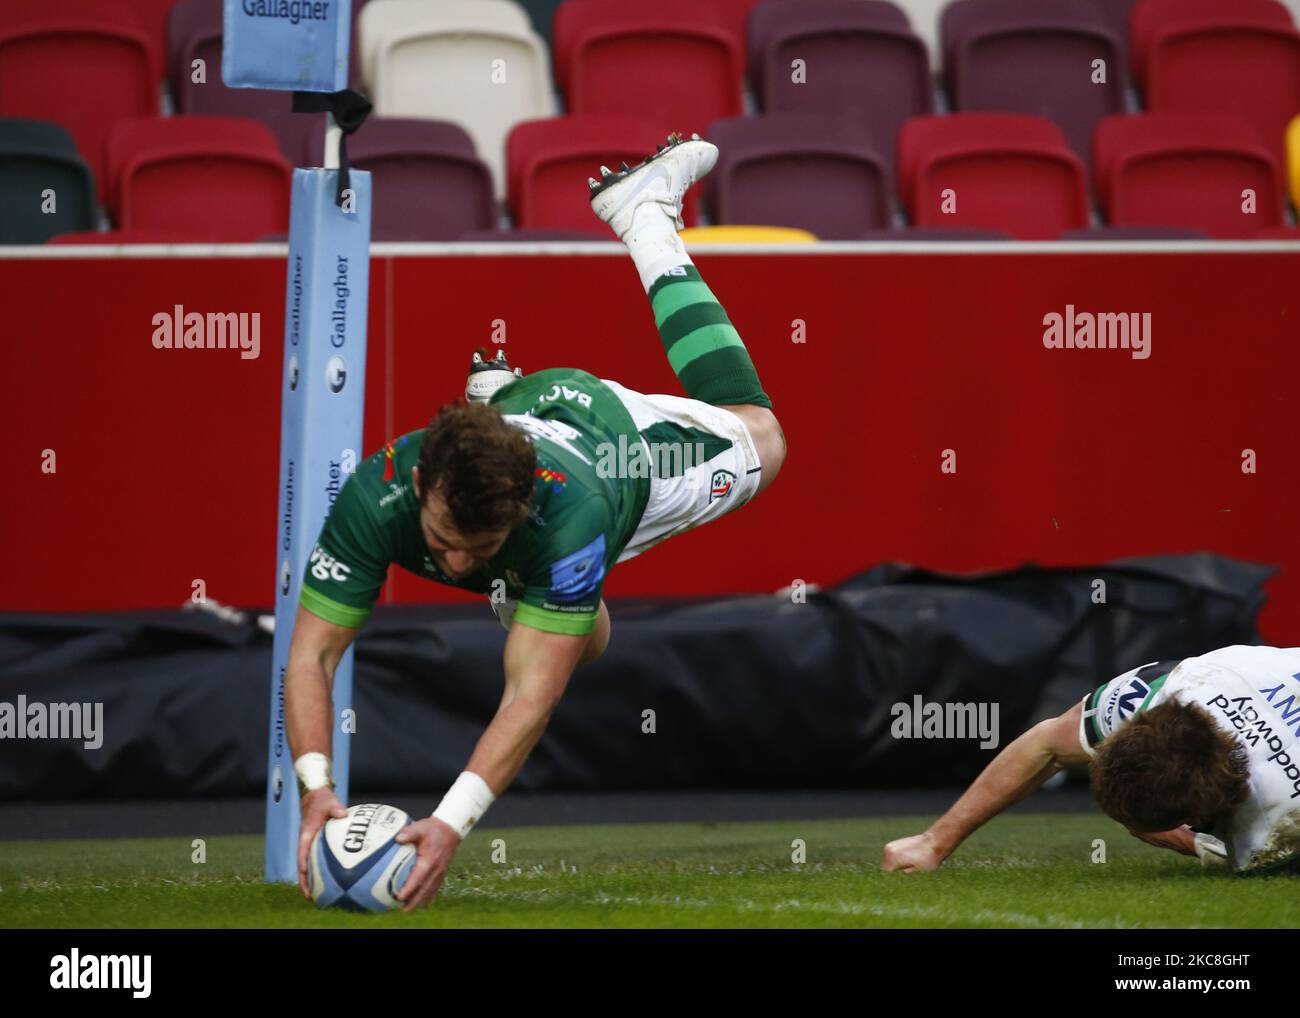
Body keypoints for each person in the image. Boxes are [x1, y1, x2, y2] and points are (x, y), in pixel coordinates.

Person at [286, 133, 787, 909]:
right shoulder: (375, 492)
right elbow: (312, 655)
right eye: (443, 543)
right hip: (523, 428)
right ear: (419, 484)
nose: (452, 568)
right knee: (583, 633)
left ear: (517, 515)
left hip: (619, 454)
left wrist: (450, 823)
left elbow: (528, 699)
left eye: (477, 551)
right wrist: (314, 786)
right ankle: (508, 398)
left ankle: (643, 212)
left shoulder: (571, 519)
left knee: (763, 436)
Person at [882, 645, 1300, 875]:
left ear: (1208, 809)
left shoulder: (1272, 831)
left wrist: (1201, 848)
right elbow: (1047, 744)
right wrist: (933, 842)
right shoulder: (1170, 686)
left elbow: (1228, 849)